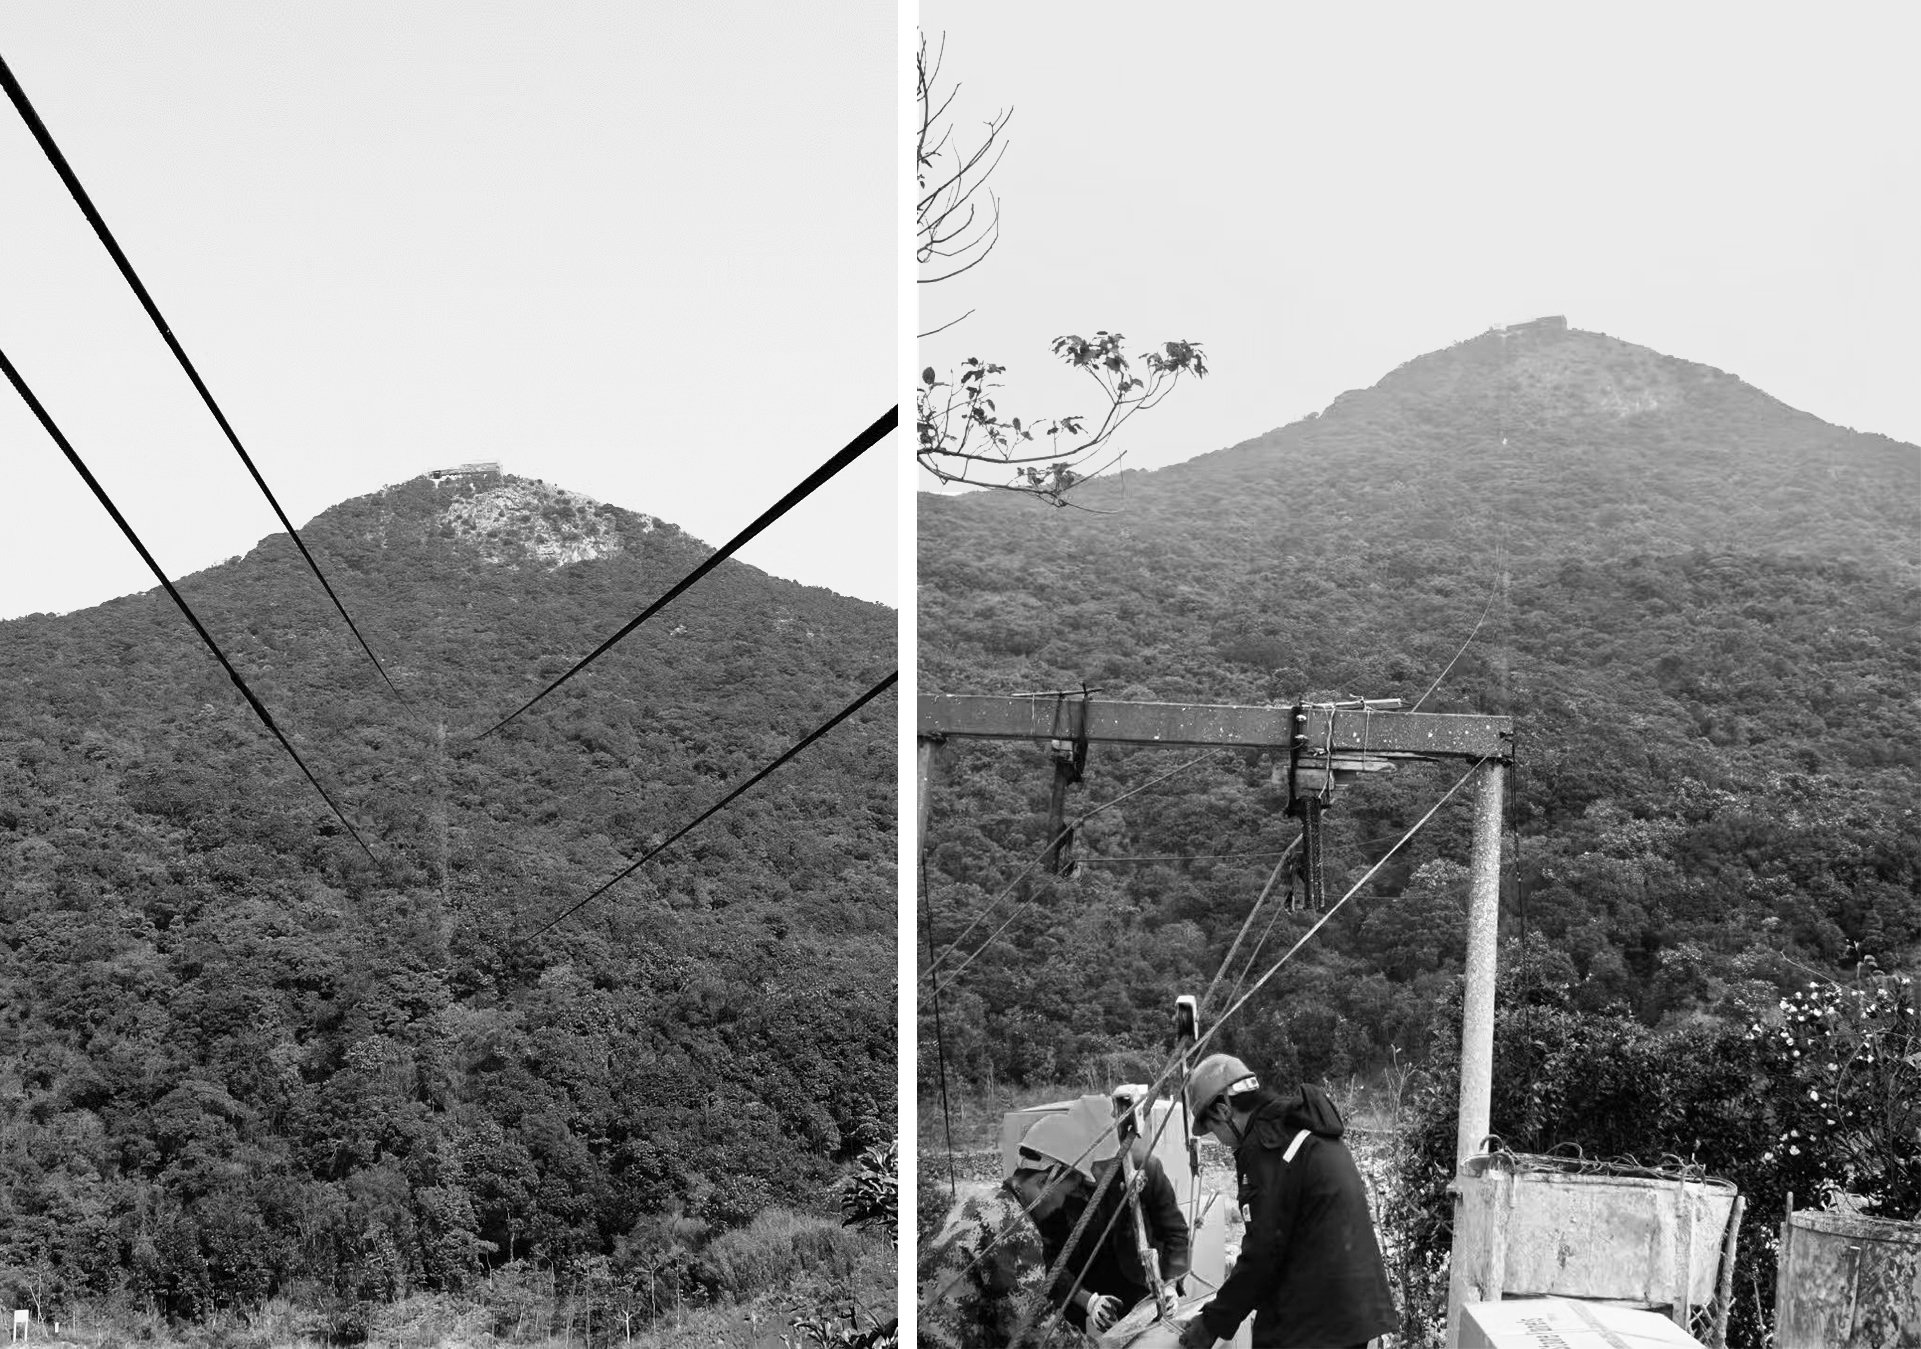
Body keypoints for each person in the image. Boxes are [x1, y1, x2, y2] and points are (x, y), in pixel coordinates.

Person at [1175, 1053, 1395, 1349]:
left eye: (1213, 1128)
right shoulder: (1300, 1129)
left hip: (1319, 1323)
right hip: (1352, 1311)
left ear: (1224, 1108)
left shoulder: (1268, 1144)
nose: (1217, 1138)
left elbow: (1263, 1251)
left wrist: (1213, 1322)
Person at [1004, 1112, 1191, 1336]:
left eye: (1107, 1165)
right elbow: (1049, 1255)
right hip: (1078, 1280)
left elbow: (1176, 1233)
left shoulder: (1145, 1169)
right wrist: (1087, 1300)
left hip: (1137, 1278)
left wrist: (1171, 1283)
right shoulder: (1061, 1185)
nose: (1098, 1174)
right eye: (1093, 1167)